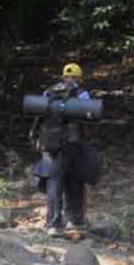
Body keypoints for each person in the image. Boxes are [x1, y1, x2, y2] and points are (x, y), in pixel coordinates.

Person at [33, 62, 93, 237]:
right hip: (72, 143)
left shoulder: (48, 92)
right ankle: (76, 221)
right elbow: (89, 116)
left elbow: (40, 116)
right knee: (75, 178)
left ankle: (54, 224)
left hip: (49, 143)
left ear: (63, 77)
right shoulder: (82, 93)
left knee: (53, 181)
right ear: (79, 78)